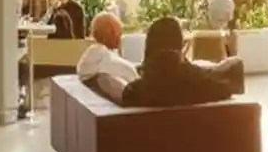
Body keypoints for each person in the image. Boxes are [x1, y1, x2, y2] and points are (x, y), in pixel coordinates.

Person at [102, 17, 241, 108]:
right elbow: (229, 85)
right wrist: (231, 54)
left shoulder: (137, 91)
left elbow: (116, 91)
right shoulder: (203, 84)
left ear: (148, 46)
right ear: (180, 44)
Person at [77, 12, 139, 91]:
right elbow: (132, 76)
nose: (120, 38)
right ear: (110, 33)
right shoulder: (107, 60)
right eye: (119, 33)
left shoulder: (91, 57)